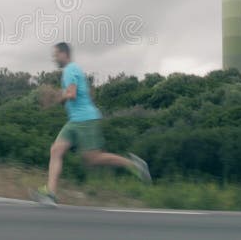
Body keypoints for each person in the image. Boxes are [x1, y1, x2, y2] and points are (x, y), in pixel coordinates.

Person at [33, 42, 152, 205]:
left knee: (93, 158)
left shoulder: (70, 70)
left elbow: (72, 94)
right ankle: (51, 193)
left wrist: (57, 97)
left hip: (85, 120)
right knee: (56, 150)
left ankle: (135, 166)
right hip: (75, 120)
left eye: (56, 55)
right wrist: (58, 98)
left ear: (64, 54)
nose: (54, 58)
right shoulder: (73, 70)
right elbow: (77, 94)